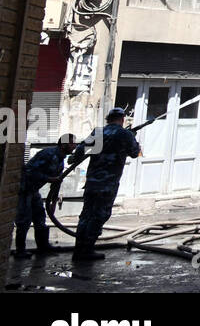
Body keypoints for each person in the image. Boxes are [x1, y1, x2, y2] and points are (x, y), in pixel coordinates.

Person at [66, 108, 143, 261]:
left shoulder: (99, 132)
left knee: (86, 215)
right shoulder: (124, 135)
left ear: (108, 119)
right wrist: (133, 138)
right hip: (108, 183)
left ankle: (78, 249)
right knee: (99, 216)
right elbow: (135, 153)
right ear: (122, 119)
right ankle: (87, 250)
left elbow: (80, 151)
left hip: (92, 181)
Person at [13, 134, 77, 257]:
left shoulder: (60, 160)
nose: (74, 146)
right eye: (72, 143)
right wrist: (48, 178)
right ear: (64, 145)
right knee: (24, 220)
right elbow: (28, 171)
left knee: (40, 218)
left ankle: (43, 247)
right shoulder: (48, 154)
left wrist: (53, 202)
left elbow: (57, 181)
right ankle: (20, 251)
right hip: (24, 189)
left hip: (33, 191)